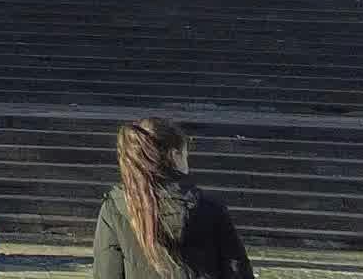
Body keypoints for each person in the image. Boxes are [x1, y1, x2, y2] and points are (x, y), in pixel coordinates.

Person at [92, 117, 254, 279]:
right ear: (174, 155)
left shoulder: (115, 208)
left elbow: (107, 271)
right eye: (185, 155)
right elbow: (238, 272)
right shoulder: (208, 206)